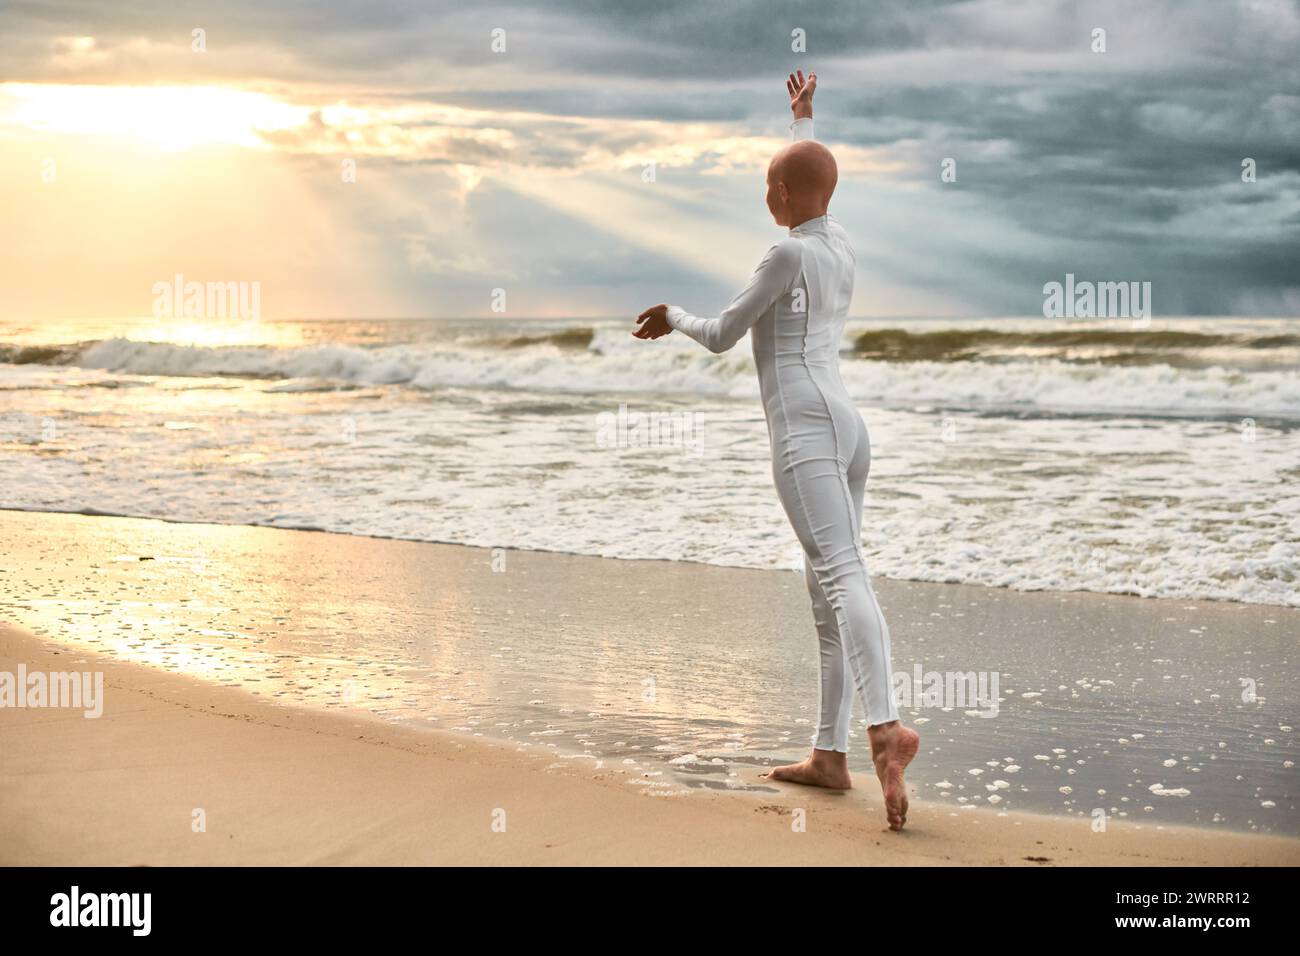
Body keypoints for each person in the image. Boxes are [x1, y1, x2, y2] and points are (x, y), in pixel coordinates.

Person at [633, 71, 919, 831]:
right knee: (826, 590)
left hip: (804, 429)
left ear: (784, 198)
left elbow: (724, 333)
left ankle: (885, 731)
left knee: (842, 575)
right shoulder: (840, 244)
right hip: (848, 425)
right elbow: (813, 176)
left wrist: (674, 315)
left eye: (770, 183)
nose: (767, 193)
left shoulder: (783, 255)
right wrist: (803, 118)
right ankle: (830, 757)